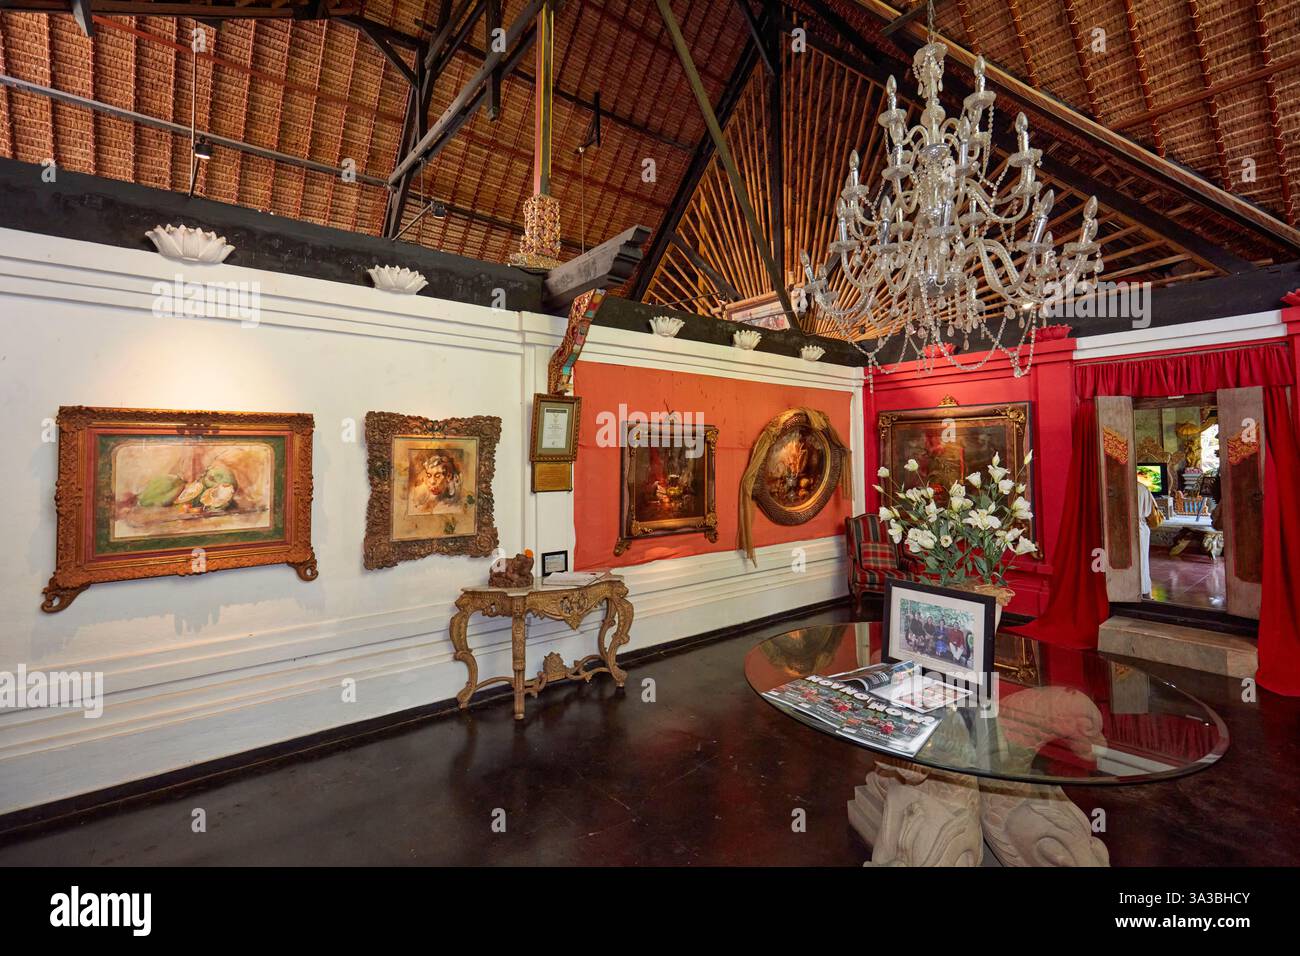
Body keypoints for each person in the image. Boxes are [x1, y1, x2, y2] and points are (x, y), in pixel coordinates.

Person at [1137, 477, 1155, 596]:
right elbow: (1149, 511)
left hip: (1119, 528)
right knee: (1142, 561)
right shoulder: (1142, 488)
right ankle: (1143, 589)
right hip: (1140, 528)